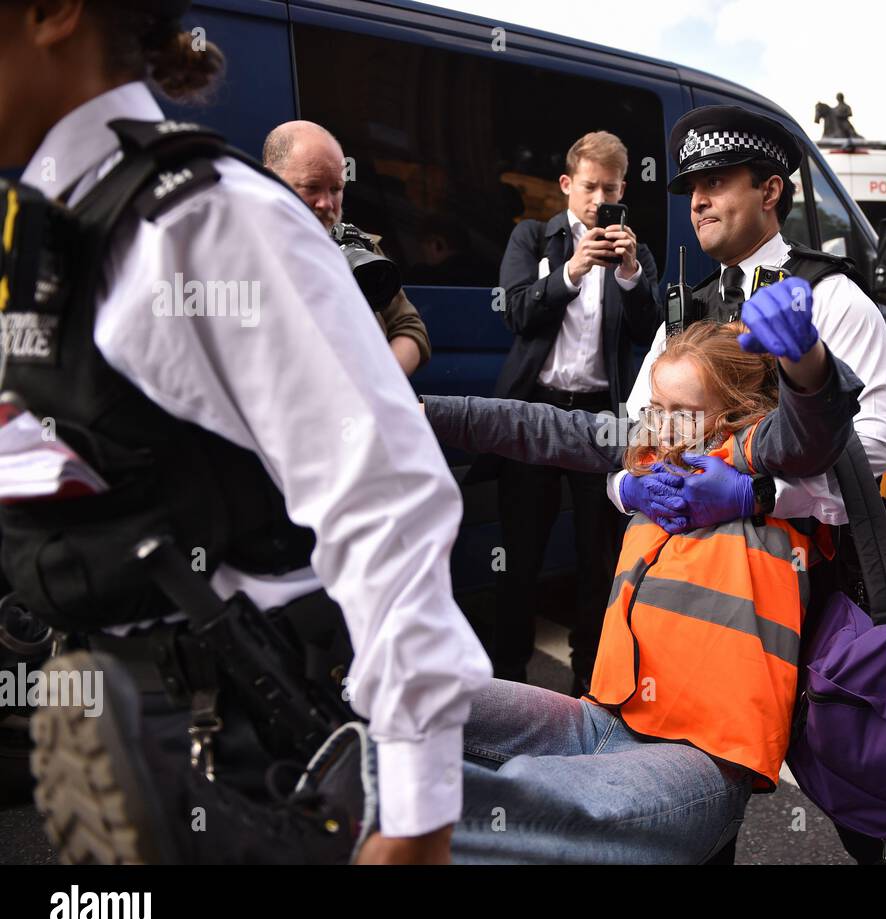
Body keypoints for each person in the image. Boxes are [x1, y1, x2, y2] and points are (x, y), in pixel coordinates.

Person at [0, 0, 490, 864]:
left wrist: (414, 824)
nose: (333, 200)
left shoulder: (204, 223)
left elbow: (386, 496)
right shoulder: (50, 227)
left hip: (251, 761)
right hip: (125, 742)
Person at [421, 294, 864, 863]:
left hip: (703, 762)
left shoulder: (757, 460)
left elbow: (814, 428)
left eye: (679, 409)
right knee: (399, 696)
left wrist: (806, 359)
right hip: (604, 723)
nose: (658, 423)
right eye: (654, 405)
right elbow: (532, 424)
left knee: (527, 799)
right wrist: (411, 408)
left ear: (737, 412)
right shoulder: (651, 457)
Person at [605, 106, 886, 864]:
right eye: (692, 189)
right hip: (704, 601)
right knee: (700, 802)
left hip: (813, 592)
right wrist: (627, 491)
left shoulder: (832, 297)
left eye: (717, 182)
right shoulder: (683, 309)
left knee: (863, 792)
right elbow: (635, 437)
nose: (699, 200)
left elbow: (874, 443)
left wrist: (756, 491)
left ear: (770, 188)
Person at [490, 131, 661, 695]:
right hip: (535, 413)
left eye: (610, 188)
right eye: (589, 187)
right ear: (567, 185)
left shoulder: (635, 253)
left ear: (623, 189)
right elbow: (515, 313)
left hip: (599, 420)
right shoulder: (532, 237)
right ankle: (506, 683)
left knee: (600, 560)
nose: (598, 199)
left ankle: (589, 683)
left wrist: (632, 273)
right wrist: (569, 273)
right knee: (518, 558)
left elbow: (650, 329)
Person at [262, 120, 431, 375]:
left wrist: (380, 384)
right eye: (311, 187)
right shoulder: (239, 254)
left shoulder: (359, 250)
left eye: (336, 189)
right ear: (270, 179)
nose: (327, 203)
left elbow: (408, 326)